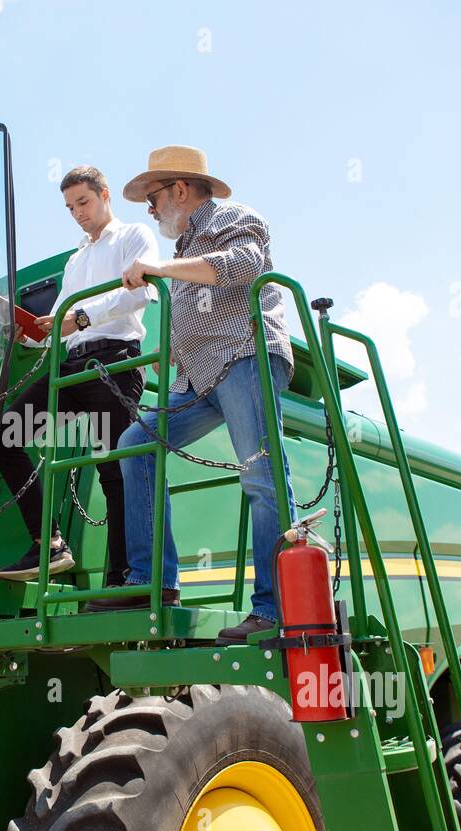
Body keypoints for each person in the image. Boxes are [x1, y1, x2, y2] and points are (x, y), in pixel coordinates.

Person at [84, 146, 297, 645]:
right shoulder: (182, 253)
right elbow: (201, 304)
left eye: (153, 199)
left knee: (261, 476)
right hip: (200, 377)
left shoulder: (234, 218)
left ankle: (274, 611)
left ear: (180, 189)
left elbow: (240, 267)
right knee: (136, 443)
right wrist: (172, 348)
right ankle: (152, 580)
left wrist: (157, 270)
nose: (151, 211)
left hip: (245, 356)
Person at [0, 166, 159, 584]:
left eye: (83, 202)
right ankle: (48, 545)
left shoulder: (134, 236)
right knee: (5, 437)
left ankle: (121, 581)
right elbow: (60, 326)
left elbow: (139, 292)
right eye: (70, 207)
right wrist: (27, 337)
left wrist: (80, 317)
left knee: (113, 471)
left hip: (114, 365)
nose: (78, 213)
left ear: (105, 195)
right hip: (71, 367)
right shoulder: (76, 259)